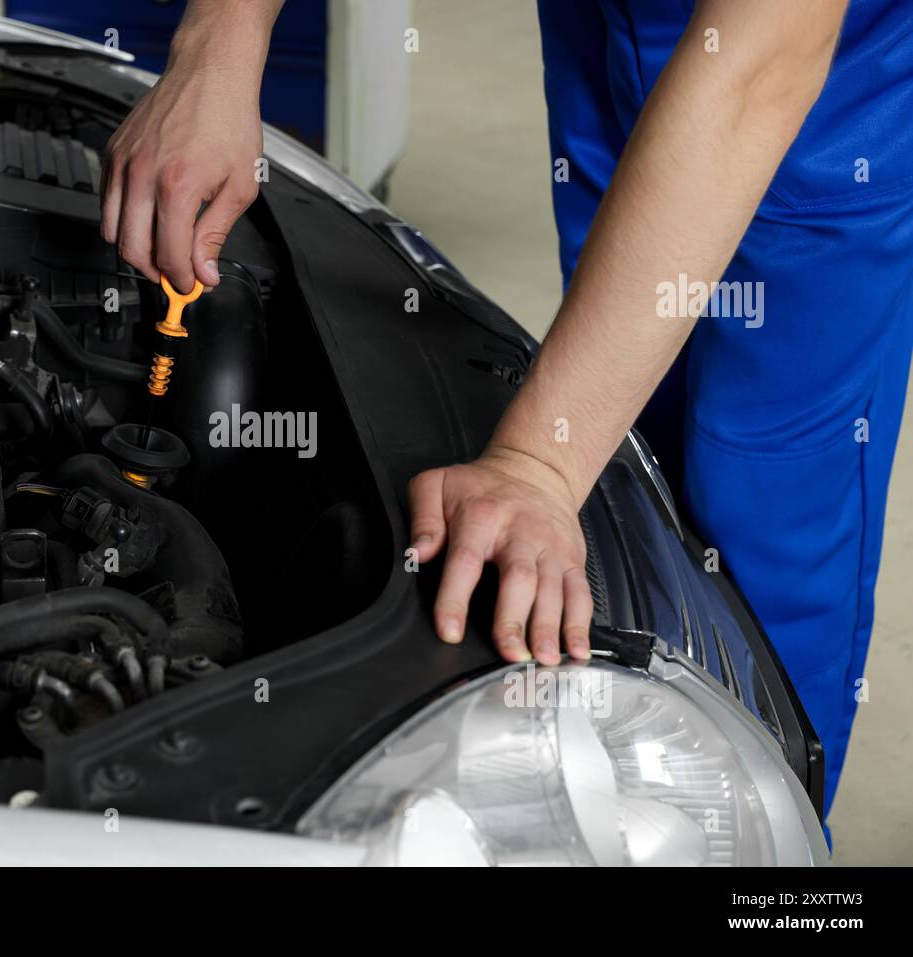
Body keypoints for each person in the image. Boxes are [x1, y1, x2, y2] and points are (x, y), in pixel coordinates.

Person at [99, 0, 913, 820]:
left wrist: (538, 464)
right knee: (634, 473)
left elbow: (755, 70)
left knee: (766, 534)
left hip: (817, 87)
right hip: (611, 30)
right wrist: (221, 47)